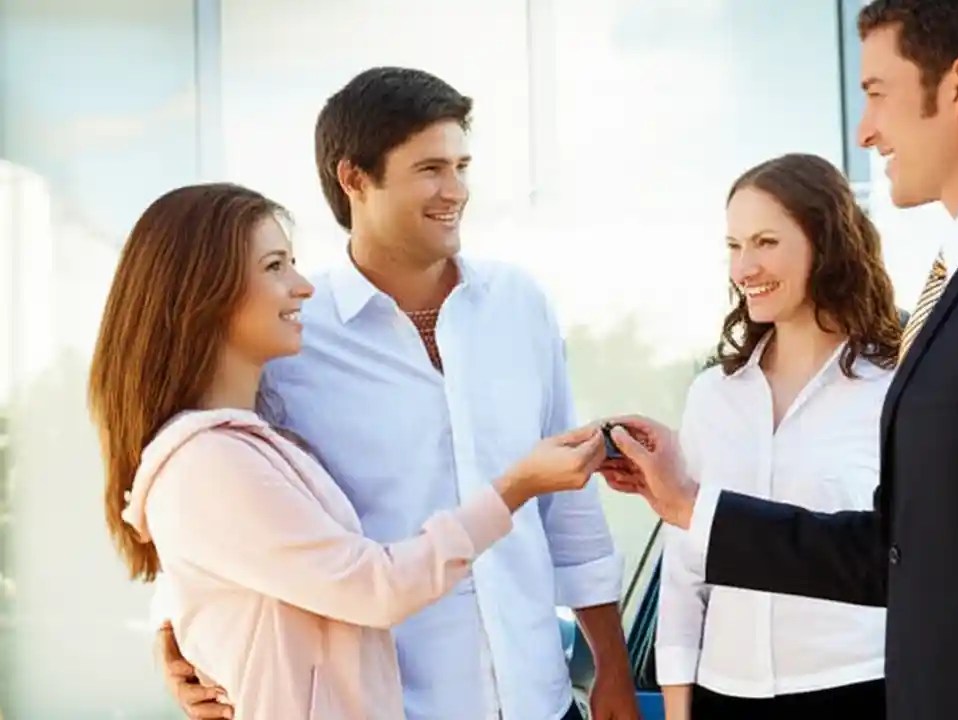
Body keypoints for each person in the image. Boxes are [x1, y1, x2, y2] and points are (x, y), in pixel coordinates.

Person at [602, 1, 958, 718]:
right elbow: (903, 550)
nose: (865, 129)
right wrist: (689, 505)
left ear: (956, 86)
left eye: (878, 92)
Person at [154, 69, 638, 720]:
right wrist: (177, 639)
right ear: (354, 177)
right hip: (398, 704)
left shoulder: (519, 304)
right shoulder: (291, 338)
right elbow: (228, 512)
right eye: (431, 168)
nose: (457, 191)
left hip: (541, 700)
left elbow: (569, 514)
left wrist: (612, 668)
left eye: (463, 165)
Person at [88, 183, 608, 719]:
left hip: (529, 699)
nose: (300, 286)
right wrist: (515, 487)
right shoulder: (212, 454)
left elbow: (251, 555)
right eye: (274, 266)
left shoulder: (518, 304)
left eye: (461, 164)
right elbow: (371, 586)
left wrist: (180, 623)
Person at [657, 153, 899, 720]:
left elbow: (909, 556)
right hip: (723, 695)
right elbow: (685, 565)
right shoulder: (713, 394)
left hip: (859, 690)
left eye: (765, 242)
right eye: (734, 246)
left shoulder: (893, 388)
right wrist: (676, 707)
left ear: (826, 242)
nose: (744, 267)